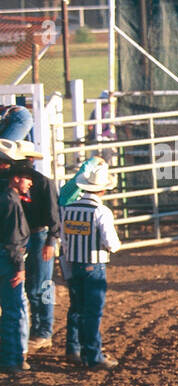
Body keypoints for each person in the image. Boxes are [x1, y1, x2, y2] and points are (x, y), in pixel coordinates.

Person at [58, 153, 122, 369]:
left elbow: (64, 240)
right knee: (92, 311)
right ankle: (92, 356)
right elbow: (111, 243)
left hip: (74, 264)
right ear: (102, 189)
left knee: (76, 306)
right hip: (94, 265)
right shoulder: (101, 212)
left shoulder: (69, 209)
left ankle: (73, 348)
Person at [19, 145, 60, 353]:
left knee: (43, 285)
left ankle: (43, 330)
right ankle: (40, 329)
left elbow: (55, 216)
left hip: (40, 235)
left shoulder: (43, 183)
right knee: (36, 285)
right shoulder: (37, 183)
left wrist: (51, 240)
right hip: (29, 237)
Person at [0, 139, 36, 373]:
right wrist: (19, 267)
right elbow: (13, 240)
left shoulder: (7, 198)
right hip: (8, 260)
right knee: (14, 309)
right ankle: (12, 359)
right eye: (26, 178)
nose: (30, 182)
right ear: (16, 178)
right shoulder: (11, 202)